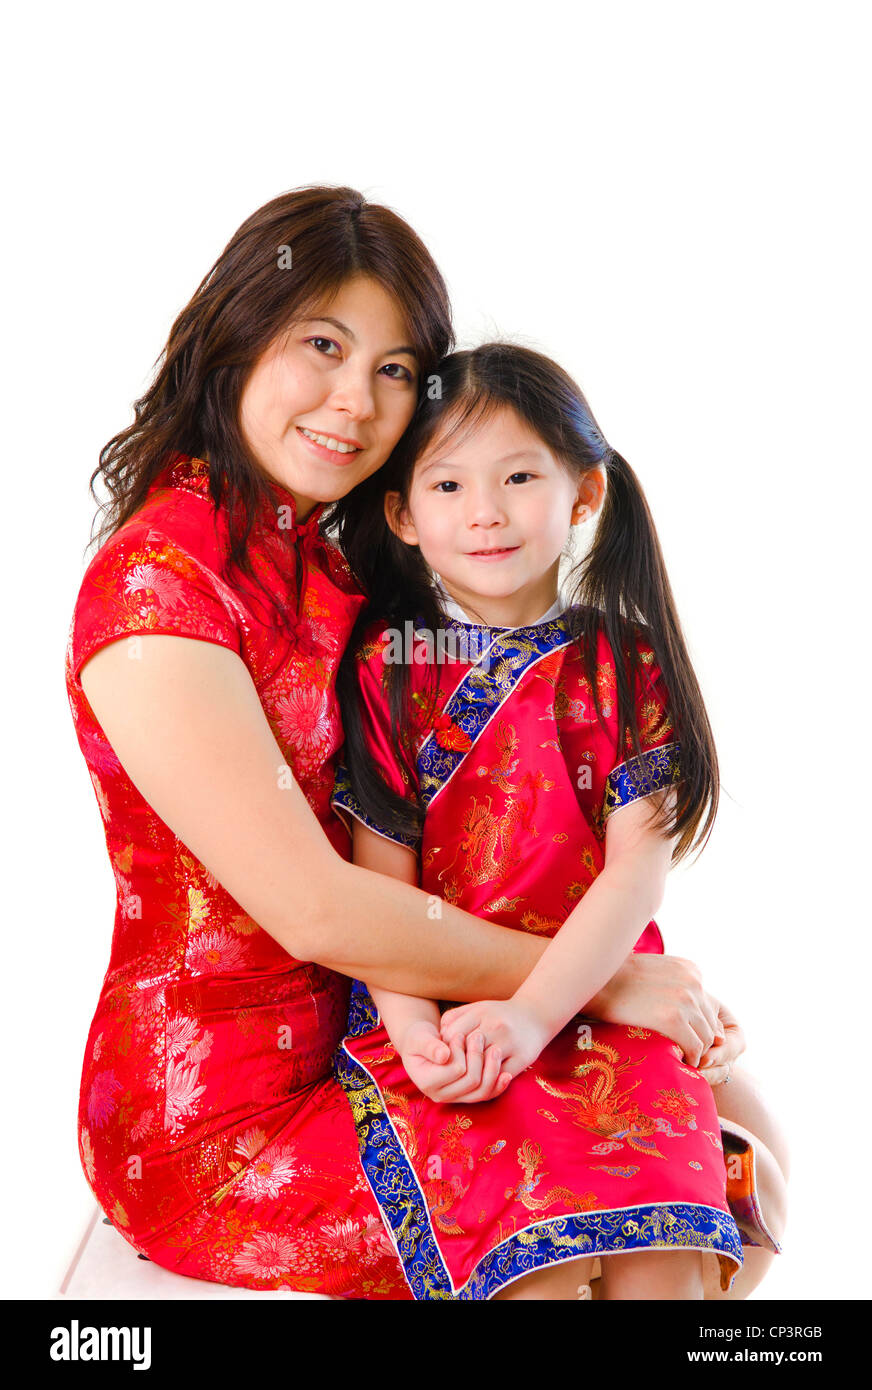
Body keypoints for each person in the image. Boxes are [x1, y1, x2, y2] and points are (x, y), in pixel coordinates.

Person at [66, 185, 777, 1301]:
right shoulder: (158, 590)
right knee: (583, 1243)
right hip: (223, 1118)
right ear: (236, 333)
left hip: (390, 1031)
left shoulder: (326, 562)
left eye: (394, 368)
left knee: (739, 1182)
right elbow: (317, 911)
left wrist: (576, 995)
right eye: (322, 344)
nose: (355, 401)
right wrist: (598, 986)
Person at [329, 343, 786, 1299]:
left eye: (519, 477)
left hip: (603, 1001)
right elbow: (379, 890)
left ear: (583, 494)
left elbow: (634, 874)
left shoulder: (626, 662)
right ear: (403, 515)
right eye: (448, 484)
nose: (485, 511)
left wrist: (537, 1014)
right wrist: (414, 1034)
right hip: (445, 1017)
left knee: (665, 1253)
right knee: (532, 1267)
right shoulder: (388, 669)